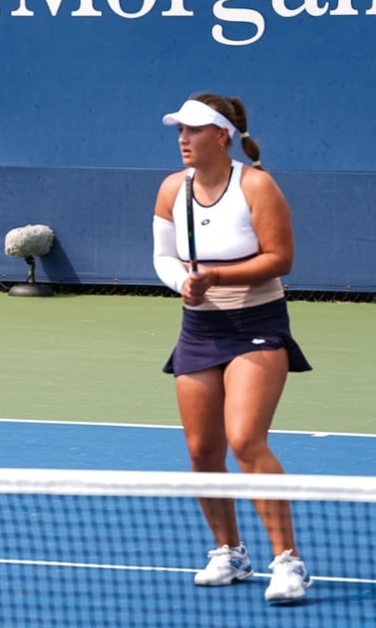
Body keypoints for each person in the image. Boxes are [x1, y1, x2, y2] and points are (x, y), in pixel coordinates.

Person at [152, 94, 313, 604]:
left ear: (221, 135)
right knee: (202, 451)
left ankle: (288, 561)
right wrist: (182, 283)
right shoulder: (171, 189)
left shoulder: (257, 186)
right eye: (179, 129)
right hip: (198, 329)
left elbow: (281, 257)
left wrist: (217, 276)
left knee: (245, 439)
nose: (183, 138)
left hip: (257, 324)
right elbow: (161, 255)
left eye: (193, 130)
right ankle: (229, 551)